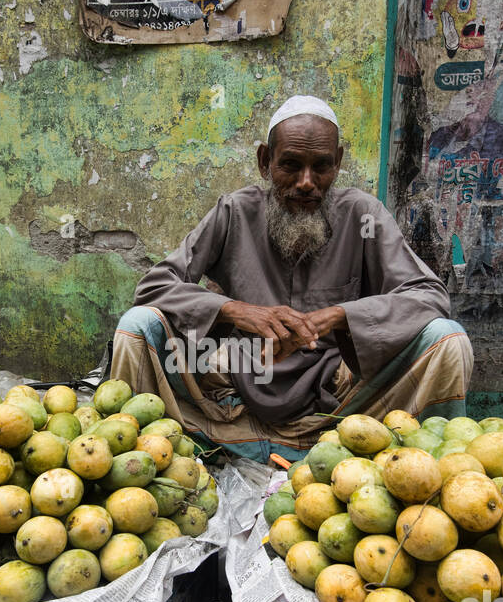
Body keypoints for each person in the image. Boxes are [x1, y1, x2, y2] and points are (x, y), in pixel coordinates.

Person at [108, 95, 474, 462]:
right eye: (291, 165)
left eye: (321, 167)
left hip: (342, 405)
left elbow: (429, 295)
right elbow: (155, 286)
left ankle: (427, 472)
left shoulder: (363, 214)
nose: (306, 182)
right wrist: (236, 311)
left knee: (447, 339)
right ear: (264, 161)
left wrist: (341, 315)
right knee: (137, 326)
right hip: (237, 393)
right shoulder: (235, 211)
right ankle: (134, 463)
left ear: (339, 163)